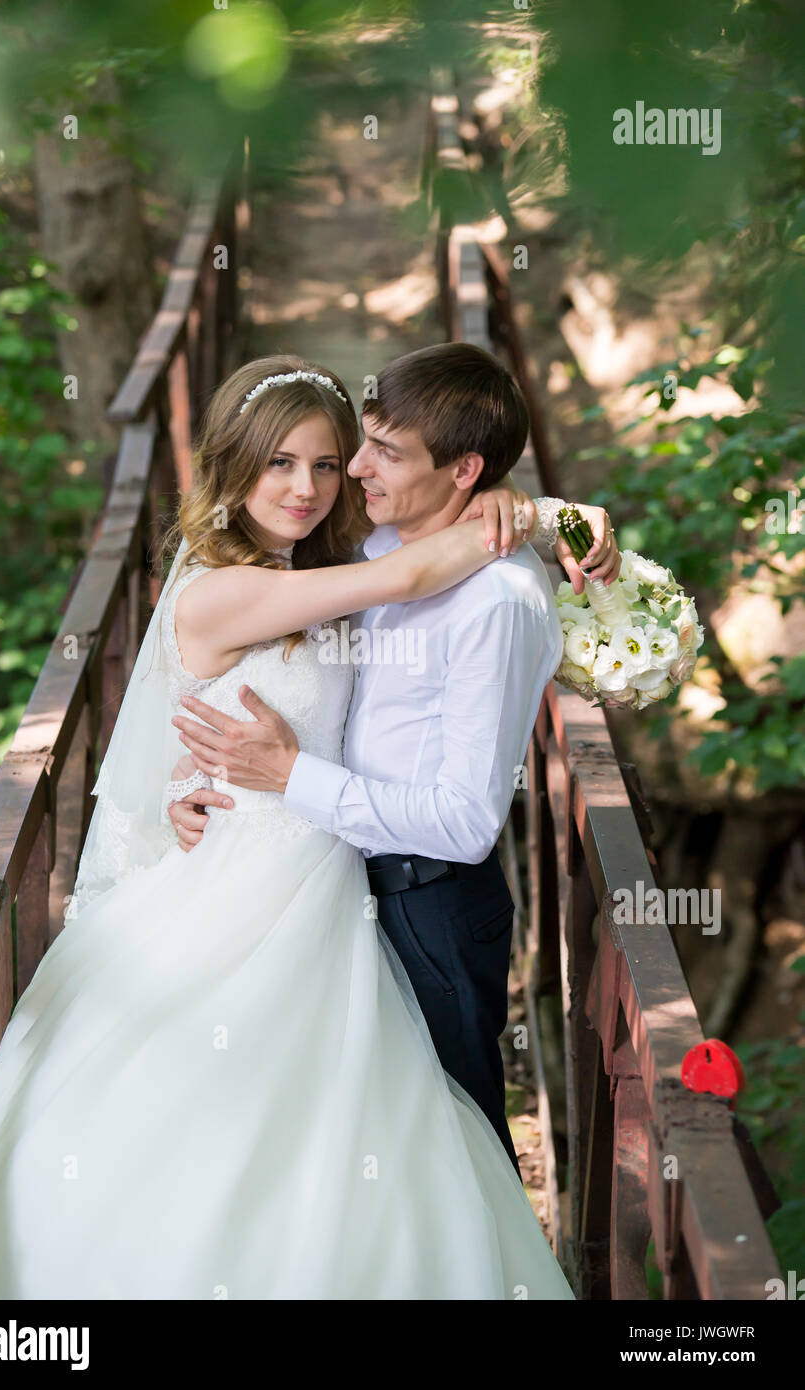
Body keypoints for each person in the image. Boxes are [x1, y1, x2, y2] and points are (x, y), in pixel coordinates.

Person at [0, 351, 596, 1299]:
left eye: (330, 463)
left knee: (370, 1131)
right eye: (279, 465)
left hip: (329, 886)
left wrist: (542, 515)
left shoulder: (337, 562)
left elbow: (404, 578)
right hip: (245, 884)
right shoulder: (228, 591)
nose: (307, 488)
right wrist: (542, 515)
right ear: (233, 466)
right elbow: (414, 573)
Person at [168, 342, 620, 1181]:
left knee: (457, 1158)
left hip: (428, 904)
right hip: (327, 885)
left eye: (384, 453)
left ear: (465, 472)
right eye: (362, 443)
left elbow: (465, 823)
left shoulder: (498, 602)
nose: (353, 472)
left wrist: (288, 775)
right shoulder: (366, 540)